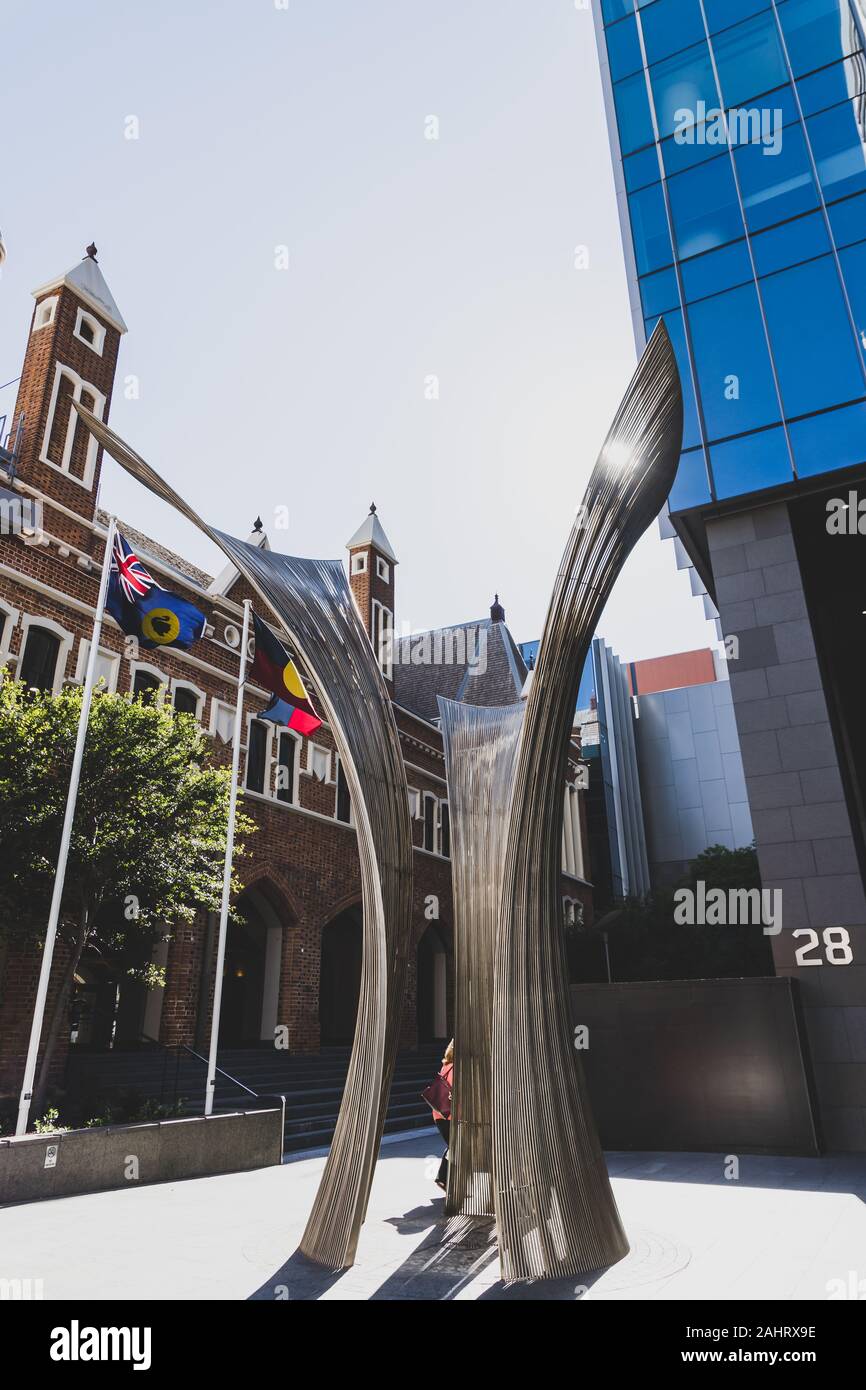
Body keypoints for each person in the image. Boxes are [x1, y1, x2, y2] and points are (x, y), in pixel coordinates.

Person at [431, 1039, 454, 1192]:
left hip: (439, 1113)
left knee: (453, 1145)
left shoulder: (445, 1066)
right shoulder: (455, 1068)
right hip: (449, 1115)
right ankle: (443, 1177)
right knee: (455, 1146)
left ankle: (444, 1178)